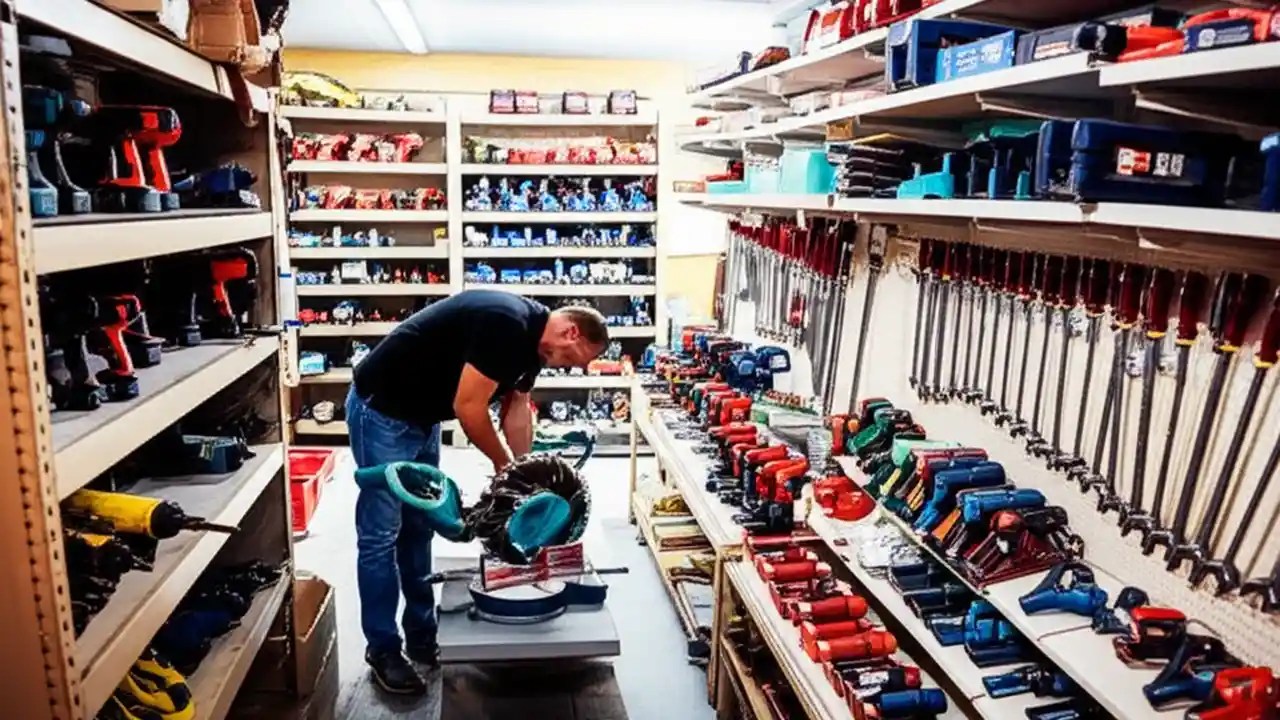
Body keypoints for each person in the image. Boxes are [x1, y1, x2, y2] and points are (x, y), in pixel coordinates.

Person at [346, 289, 609, 694]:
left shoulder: (535, 347)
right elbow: (469, 408)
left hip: (422, 418)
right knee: (382, 535)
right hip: (382, 410)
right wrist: (506, 470)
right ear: (571, 332)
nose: (569, 368)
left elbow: (516, 407)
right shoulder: (505, 323)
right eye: (573, 359)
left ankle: (420, 635)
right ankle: (382, 649)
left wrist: (528, 480)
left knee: (420, 525)